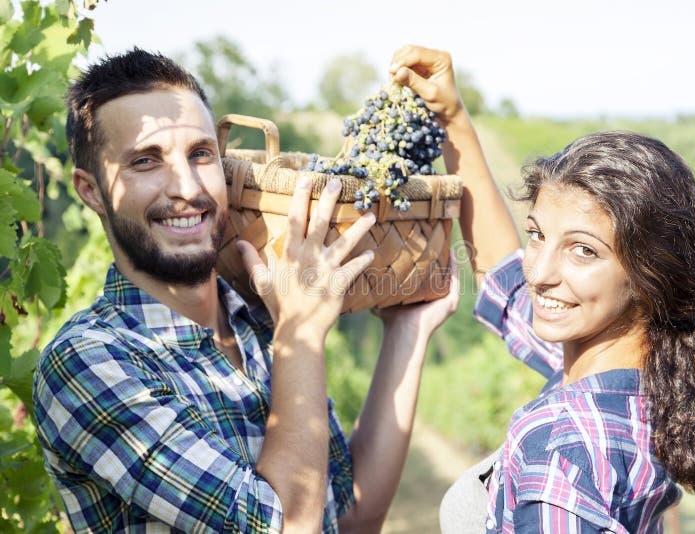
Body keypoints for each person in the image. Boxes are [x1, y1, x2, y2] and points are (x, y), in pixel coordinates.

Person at [33, 48, 458, 533]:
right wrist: (300, 331)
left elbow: (352, 516)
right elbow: (290, 527)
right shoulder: (91, 361)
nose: (187, 188)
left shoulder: (258, 318)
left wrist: (409, 332)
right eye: (146, 161)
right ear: (90, 191)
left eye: (200, 154)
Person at [389, 45, 695, 532]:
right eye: (538, 235)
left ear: (647, 276)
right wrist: (453, 118)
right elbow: (505, 280)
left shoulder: (560, 448)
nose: (539, 272)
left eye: (583, 250)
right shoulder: (644, 382)